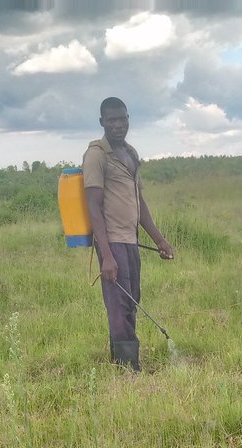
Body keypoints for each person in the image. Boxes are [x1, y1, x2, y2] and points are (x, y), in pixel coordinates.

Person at [82, 97, 174, 372]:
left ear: (128, 119)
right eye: (112, 120)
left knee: (132, 299)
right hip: (112, 241)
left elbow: (139, 202)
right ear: (102, 123)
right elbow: (93, 206)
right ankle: (127, 368)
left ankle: (122, 362)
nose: (118, 125)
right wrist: (106, 255)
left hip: (131, 239)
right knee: (119, 303)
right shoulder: (97, 154)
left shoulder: (130, 153)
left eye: (122, 119)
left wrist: (159, 239)